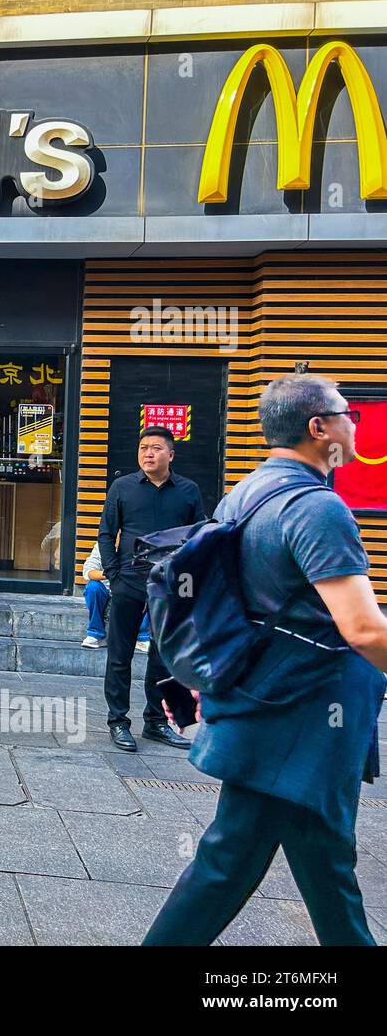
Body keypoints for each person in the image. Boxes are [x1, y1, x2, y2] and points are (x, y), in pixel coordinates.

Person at [144, 374, 387, 946]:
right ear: (318, 427)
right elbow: (362, 627)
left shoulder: (249, 492)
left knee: (321, 860)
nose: (354, 422)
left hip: (275, 702)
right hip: (298, 713)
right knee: (229, 862)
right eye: (347, 412)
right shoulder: (317, 507)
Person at [98, 425, 205, 752]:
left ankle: (156, 721)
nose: (148, 453)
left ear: (170, 455)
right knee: (120, 655)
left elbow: (199, 537)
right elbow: (106, 534)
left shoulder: (188, 491)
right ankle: (118, 721)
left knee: (163, 657)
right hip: (129, 582)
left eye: (156, 448)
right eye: (143, 447)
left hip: (170, 587)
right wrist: (114, 574)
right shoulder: (123, 487)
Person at [80, 541, 150, 651]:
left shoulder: (139, 546)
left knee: (149, 587)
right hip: (106, 590)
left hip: (131, 589)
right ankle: (96, 635)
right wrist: (111, 573)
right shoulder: (102, 546)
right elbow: (88, 571)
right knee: (92, 587)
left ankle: (142, 637)